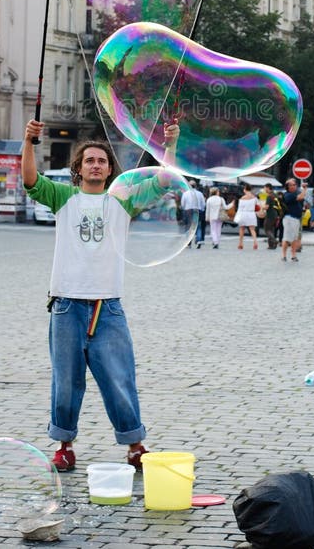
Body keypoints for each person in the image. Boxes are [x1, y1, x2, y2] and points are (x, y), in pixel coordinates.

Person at [22, 116, 179, 473]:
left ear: (110, 171)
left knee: (119, 378)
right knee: (66, 381)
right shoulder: (64, 196)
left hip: (107, 307)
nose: (96, 164)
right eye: (89, 160)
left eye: (102, 161)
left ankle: (135, 445)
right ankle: (64, 446)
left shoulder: (122, 201)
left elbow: (163, 180)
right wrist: (29, 141)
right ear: (78, 169)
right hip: (66, 305)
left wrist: (170, 144)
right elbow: (30, 179)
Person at [280, 178, 307, 261]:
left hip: (296, 218)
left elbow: (301, 198)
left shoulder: (294, 193)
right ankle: (284, 256)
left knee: (294, 238)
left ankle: (293, 255)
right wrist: (304, 189)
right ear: (287, 187)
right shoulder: (288, 195)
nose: (293, 186)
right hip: (289, 218)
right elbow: (301, 197)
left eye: (294, 184)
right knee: (287, 238)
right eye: (291, 185)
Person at [180, 180, 205, 247]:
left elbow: (183, 204)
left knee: (188, 226)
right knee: (198, 226)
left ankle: (188, 242)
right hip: (197, 210)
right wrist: (202, 210)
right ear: (195, 186)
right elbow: (203, 204)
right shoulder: (200, 193)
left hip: (188, 210)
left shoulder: (185, 193)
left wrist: (184, 209)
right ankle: (198, 240)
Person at [235, 183, 259, 250]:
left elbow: (240, 209)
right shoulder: (254, 198)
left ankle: (240, 243)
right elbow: (257, 206)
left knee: (242, 229)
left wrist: (237, 216)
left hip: (243, 214)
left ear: (245, 189)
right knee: (252, 229)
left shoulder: (242, 198)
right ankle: (255, 241)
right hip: (251, 213)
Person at [262, 185, 281, 249]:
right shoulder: (275, 195)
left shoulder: (269, 196)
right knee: (271, 230)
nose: (264, 189)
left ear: (268, 188)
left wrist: (262, 207)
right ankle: (272, 245)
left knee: (267, 229)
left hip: (270, 214)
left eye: (265, 188)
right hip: (276, 214)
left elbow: (267, 207)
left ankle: (274, 241)